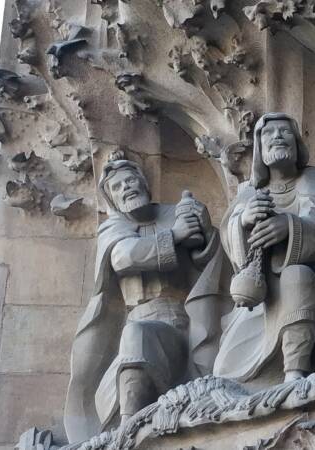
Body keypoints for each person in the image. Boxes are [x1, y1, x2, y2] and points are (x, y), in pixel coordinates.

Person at [64, 153, 227, 441]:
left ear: (144, 183)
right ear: (112, 200)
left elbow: (207, 262)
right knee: (135, 336)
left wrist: (202, 230)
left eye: (131, 180)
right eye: (117, 187)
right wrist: (175, 236)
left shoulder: (173, 213)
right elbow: (124, 256)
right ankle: (127, 432)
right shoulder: (113, 229)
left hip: (186, 321)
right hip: (141, 320)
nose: (126, 187)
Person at [213, 113, 315, 386]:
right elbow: (234, 253)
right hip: (260, 308)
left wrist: (290, 227)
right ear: (259, 148)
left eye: (285, 132)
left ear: (296, 143)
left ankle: (295, 373)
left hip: (314, 300)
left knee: (296, 276)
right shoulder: (248, 195)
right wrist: (243, 221)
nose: (278, 136)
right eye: (269, 134)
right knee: (223, 375)